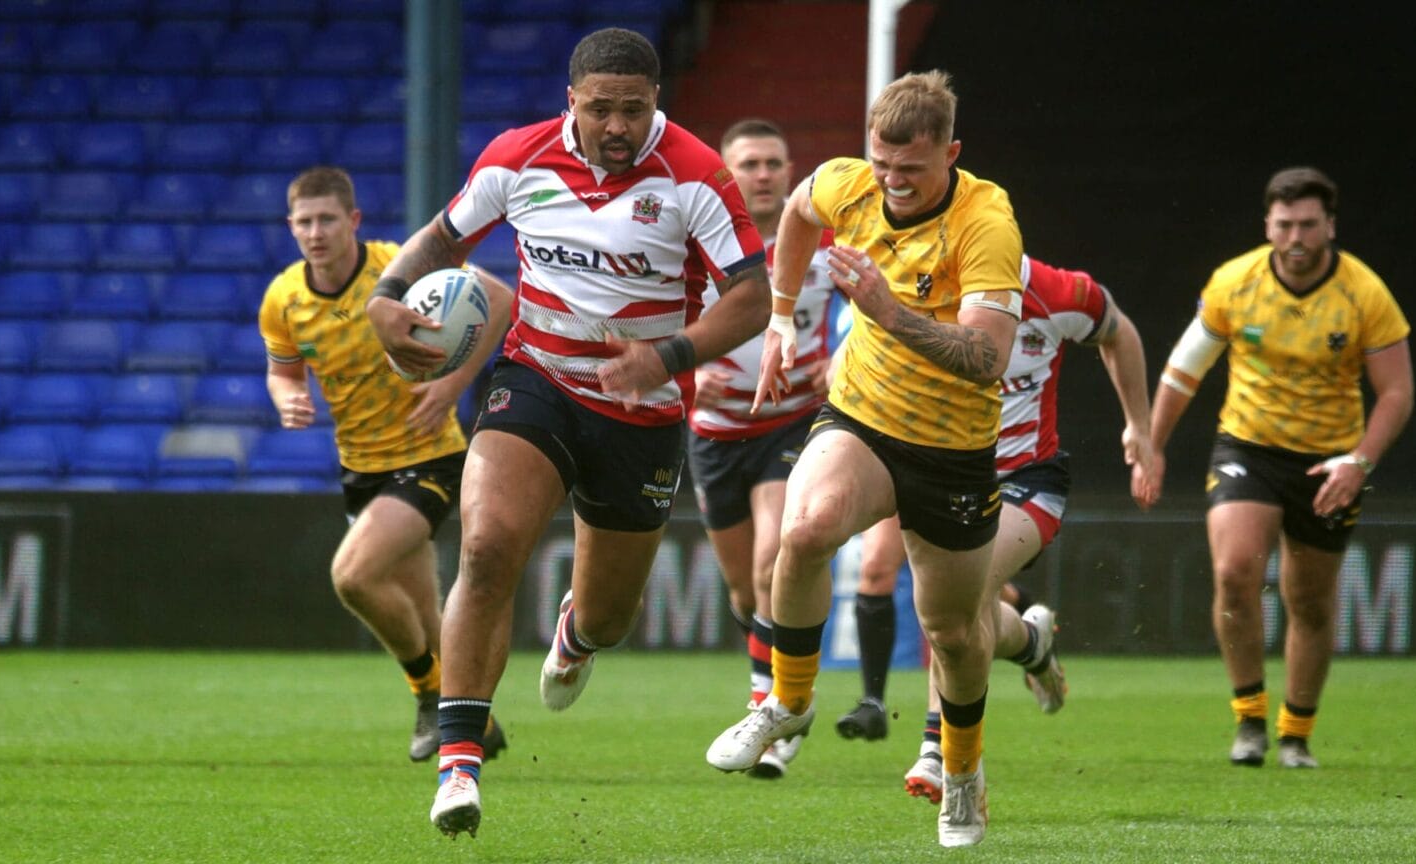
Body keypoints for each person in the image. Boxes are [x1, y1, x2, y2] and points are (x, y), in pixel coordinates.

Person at [364, 29, 769, 839]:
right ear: (571, 100)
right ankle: (458, 765)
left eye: (634, 109)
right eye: (600, 109)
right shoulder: (517, 157)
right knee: (486, 548)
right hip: (537, 379)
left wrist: (667, 356)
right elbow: (445, 236)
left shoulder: (696, 175)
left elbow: (751, 299)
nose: (617, 125)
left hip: (642, 411)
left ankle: (576, 635)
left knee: (610, 619)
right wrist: (387, 292)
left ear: (656, 102)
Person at [706, 70, 1038, 849]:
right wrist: (781, 316)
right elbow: (798, 213)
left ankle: (963, 774)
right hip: (864, 415)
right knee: (806, 529)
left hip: (953, 448)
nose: (892, 181)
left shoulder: (986, 220)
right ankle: (787, 703)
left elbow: (987, 358)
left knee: (953, 634)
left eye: (911, 169)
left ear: (951, 153)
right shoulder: (848, 183)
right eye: (882, 163)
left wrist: (885, 309)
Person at [1141, 166, 1413, 770]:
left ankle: (1296, 733)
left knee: (1309, 600)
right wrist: (1152, 444)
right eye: (1285, 224)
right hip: (1248, 448)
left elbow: (1396, 393)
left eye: (1308, 225)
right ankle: (1249, 720)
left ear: (1330, 227)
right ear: (1267, 224)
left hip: (1330, 461)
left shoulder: (1365, 293)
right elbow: (1184, 370)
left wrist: (1359, 463)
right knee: (1235, 571)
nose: (1295, 238)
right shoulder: (1234, 283)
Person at [258, 166, 515, 764]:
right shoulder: (283, 298)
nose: (316, 233)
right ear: (290, 227)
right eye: (305, 222)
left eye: (327, 220)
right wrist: (286, 397)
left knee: (353, 576)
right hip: (360, 468)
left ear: (353, 221)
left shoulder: (396, 268)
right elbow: (283, 370)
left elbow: (500, 299)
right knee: (424, 617)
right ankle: (475, 722)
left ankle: (428, 697)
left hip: (428, 456)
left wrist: (452, 386)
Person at [900, 253, 1158, 803]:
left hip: (1028, 481)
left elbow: (1119, 332)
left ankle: (936, 748)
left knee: (963, 596)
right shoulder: (918, 286)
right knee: (959, 614)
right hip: (946, 479)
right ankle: (1032, 642)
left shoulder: (1057, 292)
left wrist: (1139, 426)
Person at [686, 118, 835, 780]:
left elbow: (867, 308)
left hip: (792, 423)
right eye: (749, 164)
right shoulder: (700, 243)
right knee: (746, 591)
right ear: (728, 173)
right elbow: (651, 316)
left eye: (774, 163)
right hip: (716, 432)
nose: (764, 174)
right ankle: (773, 691)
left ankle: (774, 707)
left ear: (790, 172)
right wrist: (689, 370)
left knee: (775, 559)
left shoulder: (822, 245)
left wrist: (844, 356)